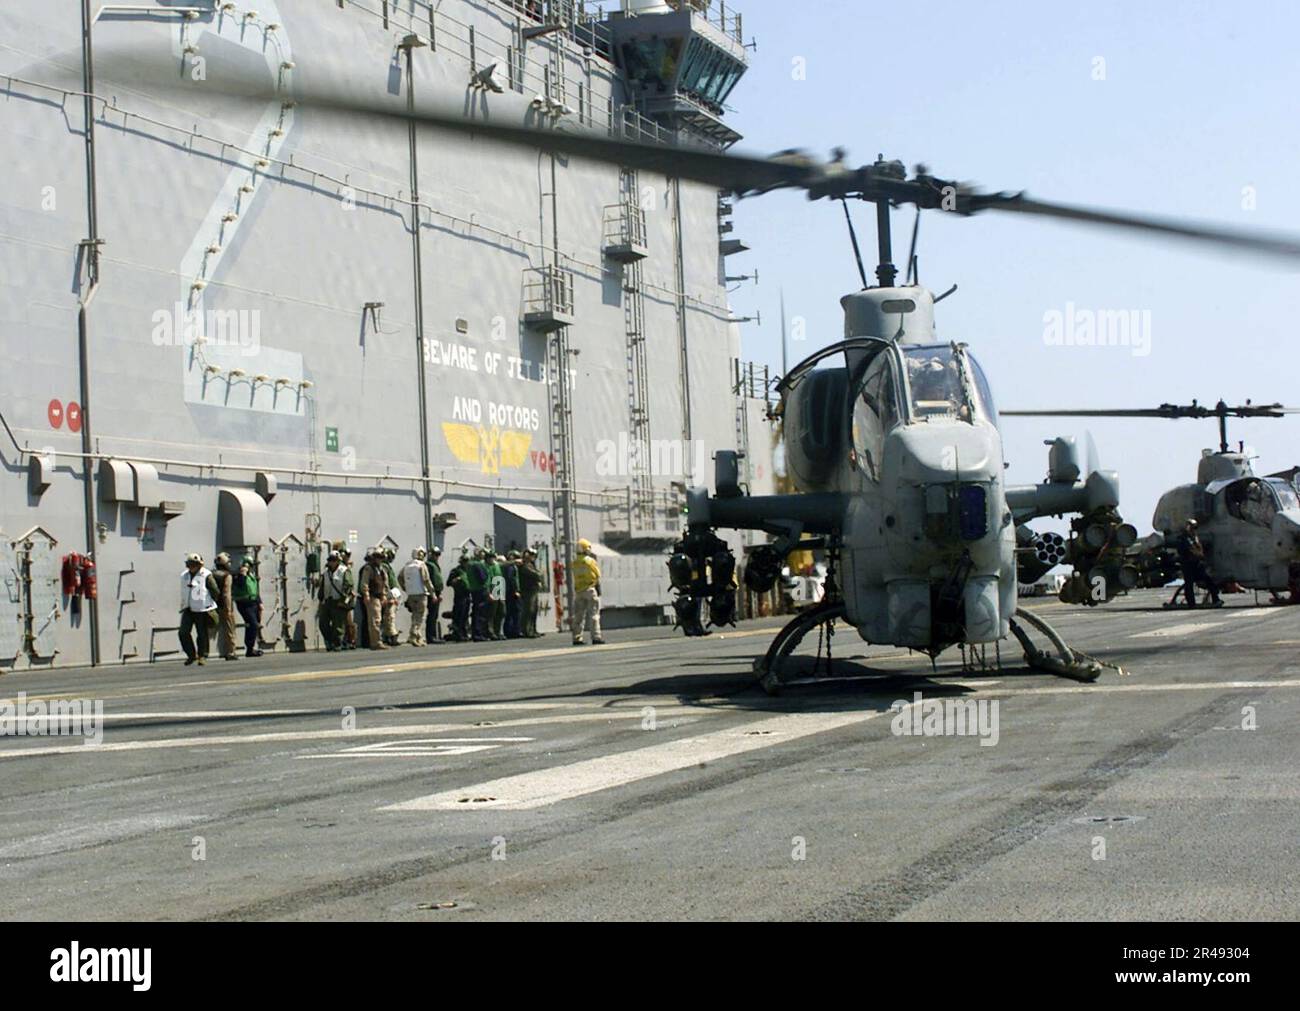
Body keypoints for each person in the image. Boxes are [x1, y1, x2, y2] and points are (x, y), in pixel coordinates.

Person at [178, 552, 221, 665]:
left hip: (202, 608)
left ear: (199, 564)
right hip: (188, 608)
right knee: (183, 632)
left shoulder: (206, 575)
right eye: (190, 564)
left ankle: (202, 656)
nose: (192, 566)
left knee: (201, 634)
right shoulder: (184, 575)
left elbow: (215, 591)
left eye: (194, 564)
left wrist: (211, 605)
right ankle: (191, 655)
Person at [1174, 519, 1221, 608]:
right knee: (1189, 584)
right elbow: (1186, 550)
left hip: (1197, 564)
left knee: (1209, 581)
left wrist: (1201, 556)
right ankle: (1191, 604)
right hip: (1188, 565)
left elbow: (1198, 549)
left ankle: (1216, 599)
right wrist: (1197, 555)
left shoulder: (1194, 537)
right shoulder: (1183, 539)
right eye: (1192, 527)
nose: (1194, 529)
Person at [318, 550, 355, 651]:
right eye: (330, 560)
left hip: (338, 600)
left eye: (334, 560)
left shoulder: (344, 571)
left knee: (338, 625)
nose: (332, 562)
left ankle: (337, 643)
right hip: (327, 601)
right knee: (323, 623)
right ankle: (329, 640)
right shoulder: (326, 572)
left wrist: (343, 600)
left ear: (338, 561)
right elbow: (322, 586)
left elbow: (348, 586)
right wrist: (321, 598)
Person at [571, 538, 605, 646]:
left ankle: (577, 638)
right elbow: (597, 575)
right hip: (590, 589)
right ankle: (596, 637)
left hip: (579, 591)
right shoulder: (590, 561)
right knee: (594, 615)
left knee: (579, 616)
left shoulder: (574, 562)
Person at [358, 548, 390, 650]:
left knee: (379, 619)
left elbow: (385, 583)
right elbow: (365, 582)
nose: (379, 559)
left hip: (380, 596)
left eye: (381, 557)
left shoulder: (382, 570)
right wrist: (366, 594)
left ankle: (377, 640)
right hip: (372, 596)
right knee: (375, 620)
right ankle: (376, 642)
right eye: (377, 557)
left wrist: (384, 595)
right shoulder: (369, 569)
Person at [232, 554, 264, 658]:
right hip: (244, 603)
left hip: (253, 602)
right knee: (252, 624)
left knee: (255, 624)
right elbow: (240, 584)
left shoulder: (251, 575)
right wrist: (243, 575)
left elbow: (255, 589)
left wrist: (259, 602)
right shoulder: (238, 575)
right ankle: (249, 649)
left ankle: (251, 648)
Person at [399, 547, 431, 647]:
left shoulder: (407, 565)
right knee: (421, 616)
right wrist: (432, 592)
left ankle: (418, 637)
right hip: (421, 594)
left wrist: (405, 588)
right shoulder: (421, 565)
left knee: (415, 615)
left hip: (411, 594)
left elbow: (400, 577)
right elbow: (426, 580)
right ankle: (413, 635)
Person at [212, 552, 240, 661]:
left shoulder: (212, 573)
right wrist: (228, 609)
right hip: (224, 605)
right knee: (230, 629)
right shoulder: (227, 576)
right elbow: (226, 593)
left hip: (212, 605)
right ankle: (231, 652)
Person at [518, 549, 544, 638]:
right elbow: (536, 575)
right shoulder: (524, 565)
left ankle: (533, 629)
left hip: (534, 590)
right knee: (529, 610)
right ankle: (527, 631)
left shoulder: (531, 565)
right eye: (531, 555)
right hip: (528, 590)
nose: (533, 557)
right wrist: (539, 575)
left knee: (534, 610)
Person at [466, 549, 489, 642]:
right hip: (481, 589)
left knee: (476, 611)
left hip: (473, 589)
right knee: (481, 612)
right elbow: (482, 578)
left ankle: (475, 633)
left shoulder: (469, 564)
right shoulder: (478, 565)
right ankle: (479, 634)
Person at [447, 554, 471, 641]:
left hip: (467, 595)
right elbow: (448, 582)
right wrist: (456, 580)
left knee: (465, 615)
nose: (466, 563)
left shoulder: (468, 571)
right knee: (459, 615)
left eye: (467, 561)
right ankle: (458, 633)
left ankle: (464, 633)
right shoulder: (456, 571)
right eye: (464, 561)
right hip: (459, 596)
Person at [381, 546, 402, 646]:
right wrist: (390, 596)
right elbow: (386, 582)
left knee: (388, 616)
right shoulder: (384, 567)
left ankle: (387, 635)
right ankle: (392, 636)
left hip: (393, 593)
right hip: (390, 594)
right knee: (390, 616)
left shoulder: (387, 566)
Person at [424, 546, 445, 644]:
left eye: (438, 554)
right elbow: (429, 580)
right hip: (431, 592)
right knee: (431, 615)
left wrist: (439, 593)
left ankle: (434, 635)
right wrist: (433, 595)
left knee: (435, 614)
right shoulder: (428, 565)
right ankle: (430, 636)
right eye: (435, 554)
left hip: (436, 592)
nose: (437, 556)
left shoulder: (435, 565)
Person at [503, 550, 522, 638]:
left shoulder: (513, 567)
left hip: (510, 592)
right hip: (511, 592)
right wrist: (515, 590)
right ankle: (513, 631)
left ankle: (514, 630)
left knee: (513, 612)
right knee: (514, 612)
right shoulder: (510, 567)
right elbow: (511, 580)